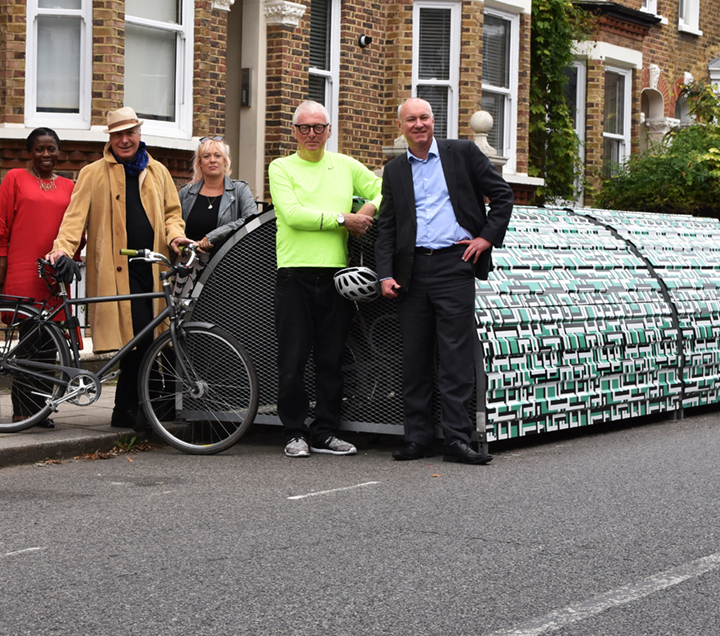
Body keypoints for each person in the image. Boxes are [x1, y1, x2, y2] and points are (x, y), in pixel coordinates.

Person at [375, 98, 514, 464]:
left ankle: (456, 440)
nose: (418, 124)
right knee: (414, 358)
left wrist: (485, 238)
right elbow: (387, 227)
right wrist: (385, 274)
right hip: (411, 272)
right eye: (411, 120)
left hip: (455, 264)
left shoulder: (463, 153)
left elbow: (502, 196)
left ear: (433, 121)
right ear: (401, 126)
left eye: (424, 117)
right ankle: (417, 439)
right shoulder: (394, 170)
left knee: (455, 358)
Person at [47, 107, 193, 429]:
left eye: (130, 133)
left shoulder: (158, 171)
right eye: (118, 135)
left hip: (151, 268)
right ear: (110, 139)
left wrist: (176, 237)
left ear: (139, 134)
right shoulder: (92, 173)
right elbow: (74, 220)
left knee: (151, 336)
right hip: (116, 271)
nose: (124, 140)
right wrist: (62, 249)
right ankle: (132, 408)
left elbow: (172, 214)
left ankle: (137, 408)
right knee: (136, 337)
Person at [268, 100, 383, 458]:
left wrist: (367, 209)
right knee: (293, 359)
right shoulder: (281, 166)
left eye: (319, 127)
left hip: (336, 275)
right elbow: (292, 214)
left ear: (329, 130)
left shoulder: (345, 165)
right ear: (294, 132)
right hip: (294, 273)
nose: (312, 134)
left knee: (331, 360)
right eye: (304, 127)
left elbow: (385, 188)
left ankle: (325, 432)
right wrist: (343, 219)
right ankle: (294, 433)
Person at [0, 127, 77, 427]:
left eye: (51, 148)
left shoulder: (69, 186)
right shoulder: (15, 178)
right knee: (28, 341)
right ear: (30, 152)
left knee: (50, 343)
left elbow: (76, 229)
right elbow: (1, 223)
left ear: (59, 151)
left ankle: (41, 410)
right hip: (24, 269)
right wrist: (1, 268)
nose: (46, 154)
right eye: (40, 149)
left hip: (54, 273)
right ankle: (22, 409)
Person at [177, 136, 257, 253]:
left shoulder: (240, 190)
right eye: (206, 156)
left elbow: (251, 220)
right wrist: (187, 246)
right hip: (191, 259)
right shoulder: (186, 193)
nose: (212, 160)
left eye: (218, 156)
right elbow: (173, 224)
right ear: (200, 163)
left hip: (229, 261)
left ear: (225, 161)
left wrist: (213, 237)